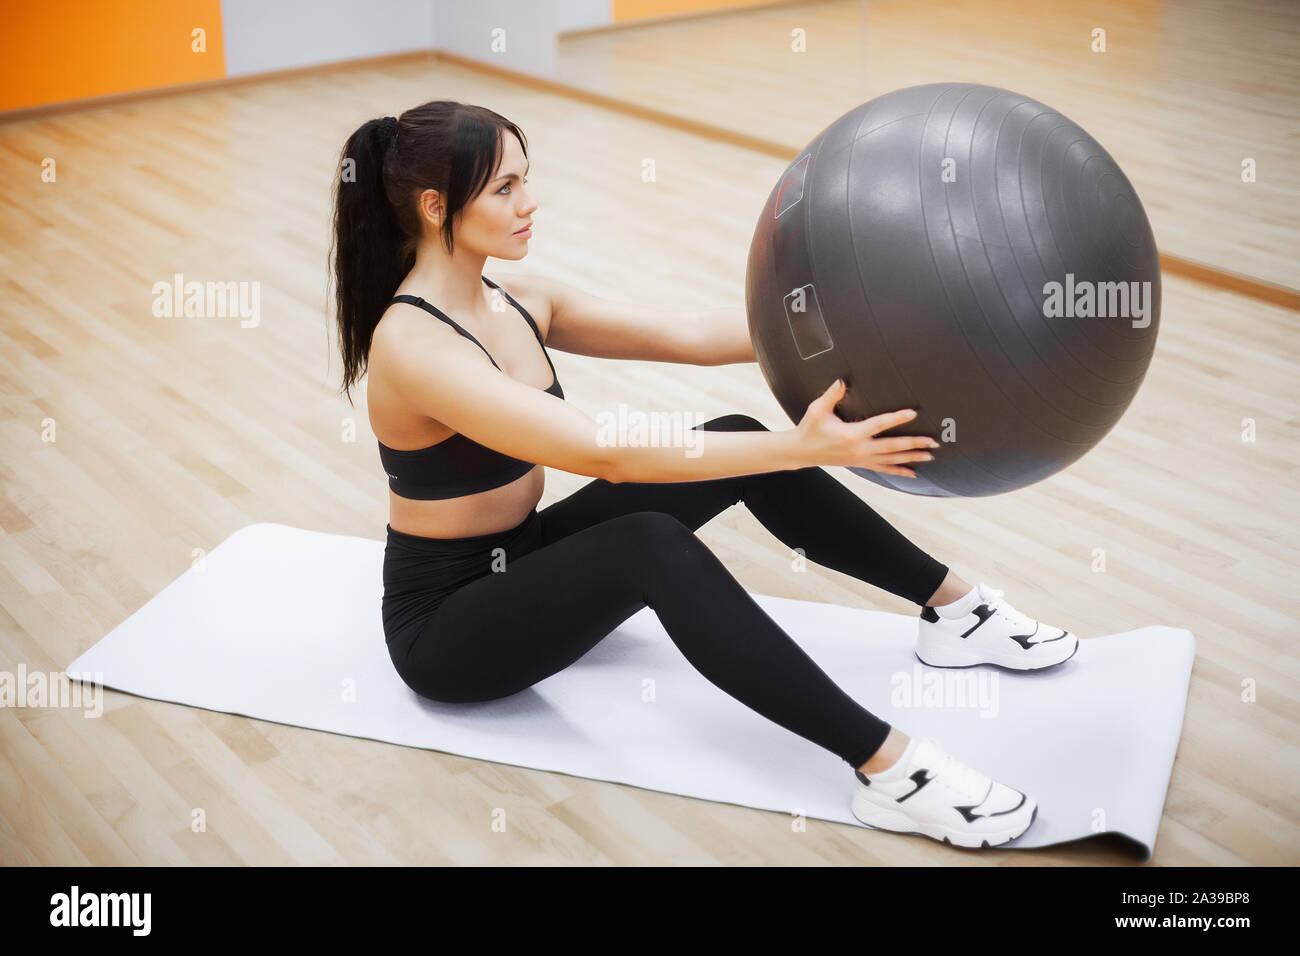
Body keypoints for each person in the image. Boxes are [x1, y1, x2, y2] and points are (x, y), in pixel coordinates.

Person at [328, 100, 1078, 849]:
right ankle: (893, 772)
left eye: (528, 181)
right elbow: (602, 452)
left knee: (733, 439)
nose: (530, 203)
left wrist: (867, 326)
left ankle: (955, 612)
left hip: (519, 551)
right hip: (446, 625)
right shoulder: (413, 345)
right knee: (650, 543)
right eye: (506, 188)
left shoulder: (520, 300)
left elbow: (688, 335)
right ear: (435, 207)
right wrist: (806, 446)